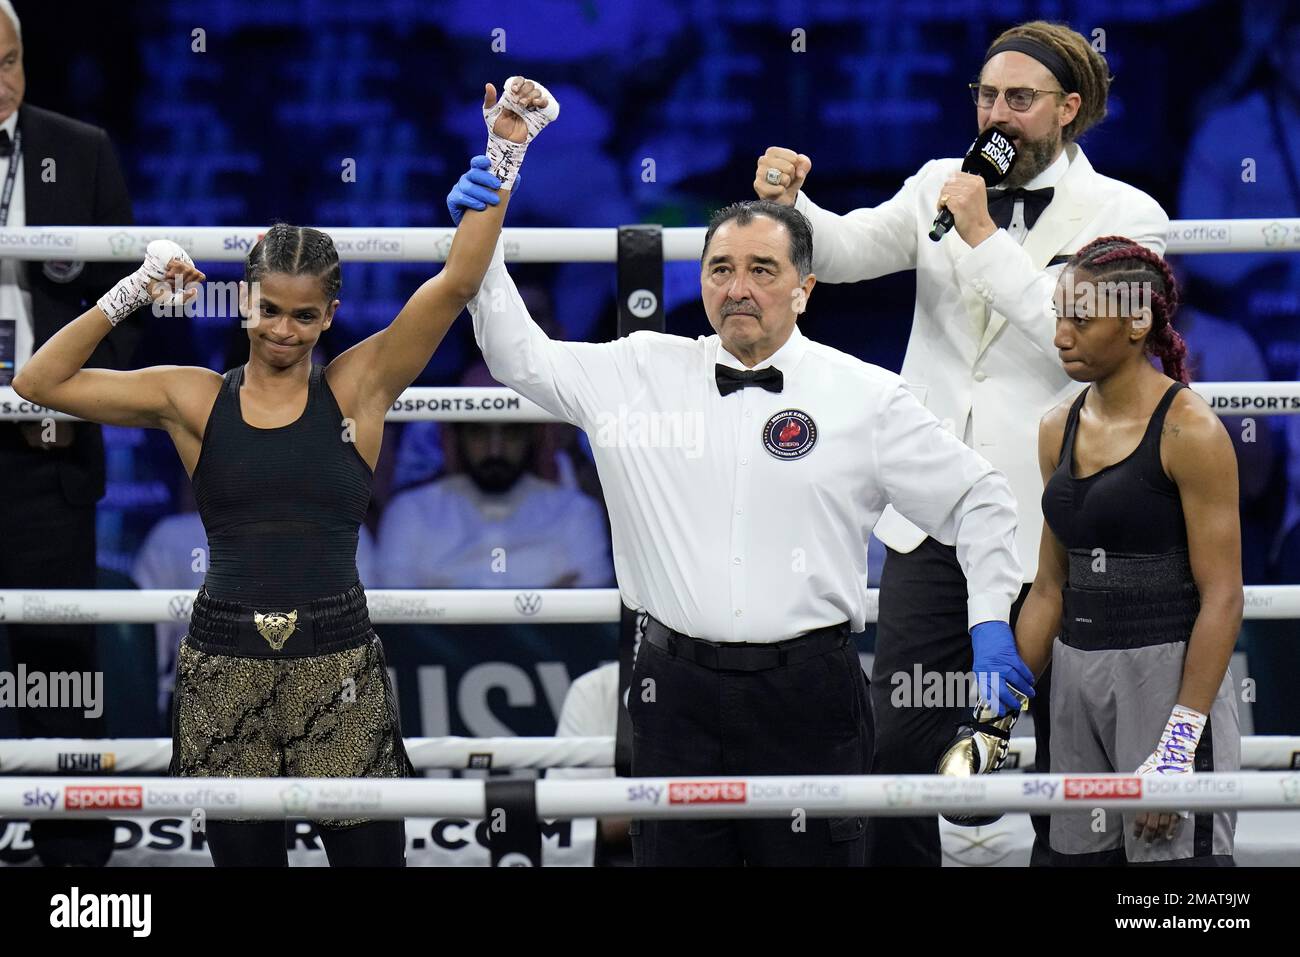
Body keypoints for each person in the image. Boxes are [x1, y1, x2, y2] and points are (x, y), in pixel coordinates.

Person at [13, 77, 558, 866]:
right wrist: (133, 287)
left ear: (330, 314)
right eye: (270, 309)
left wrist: (505, 151)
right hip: (222, 668)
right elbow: (37, 383)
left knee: (374, 863)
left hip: (338, 662)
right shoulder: (192, 398)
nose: (284, 330)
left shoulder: (360, 385)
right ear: (245, 303)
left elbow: (458, 283)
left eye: (304, 315)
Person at [456, 170, 1022, 864]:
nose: (738, 287)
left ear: (804, 288)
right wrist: (483, 230)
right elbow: (518, 354)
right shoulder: (639, 372)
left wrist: (990, 621)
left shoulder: (864, 395)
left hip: (810, 694)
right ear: (702, 282)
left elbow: (981, 498)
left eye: (762, 269)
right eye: (721, 269)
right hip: (674, 691)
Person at [754, 19, 1169, 866]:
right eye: (986, 96)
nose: (997, 114)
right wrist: (789, 207)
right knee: (899, 746)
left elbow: (1075, 326)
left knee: (1068, 750)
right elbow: (844, 251)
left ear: (1069, 108)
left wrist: (979, 236)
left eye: (1020, 98)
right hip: (934, 513)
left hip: (1065, 515)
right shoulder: (940, 183)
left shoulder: (1130, 215)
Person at [1015, 236, 1241, 865]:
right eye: (1059, 316)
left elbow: (1223, 597)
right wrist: (991, 716)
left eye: (1080, 320)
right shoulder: (1055, 428)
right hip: (1073, 677)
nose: (1062, 336)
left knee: (1173, 903)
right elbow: (1049, 588)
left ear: (1137, 321)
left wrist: (1177, 747)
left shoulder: (1191, 432)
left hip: (1167, 681)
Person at [0, 0, 141, 867]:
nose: (3, 83)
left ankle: (77, 884)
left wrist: (74, 396)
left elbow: (128, 308)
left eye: (11, 61)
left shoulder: (77, 149)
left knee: (60, 675)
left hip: (41, 457)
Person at [374, 363, 612, 590]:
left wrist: (440, 592)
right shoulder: (411, 513)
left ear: (533, 435)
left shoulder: (576, 514)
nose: (495, 450)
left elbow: (589, 626)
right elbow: (400, 624)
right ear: (457, 437)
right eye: (479, 431)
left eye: (511, 431)